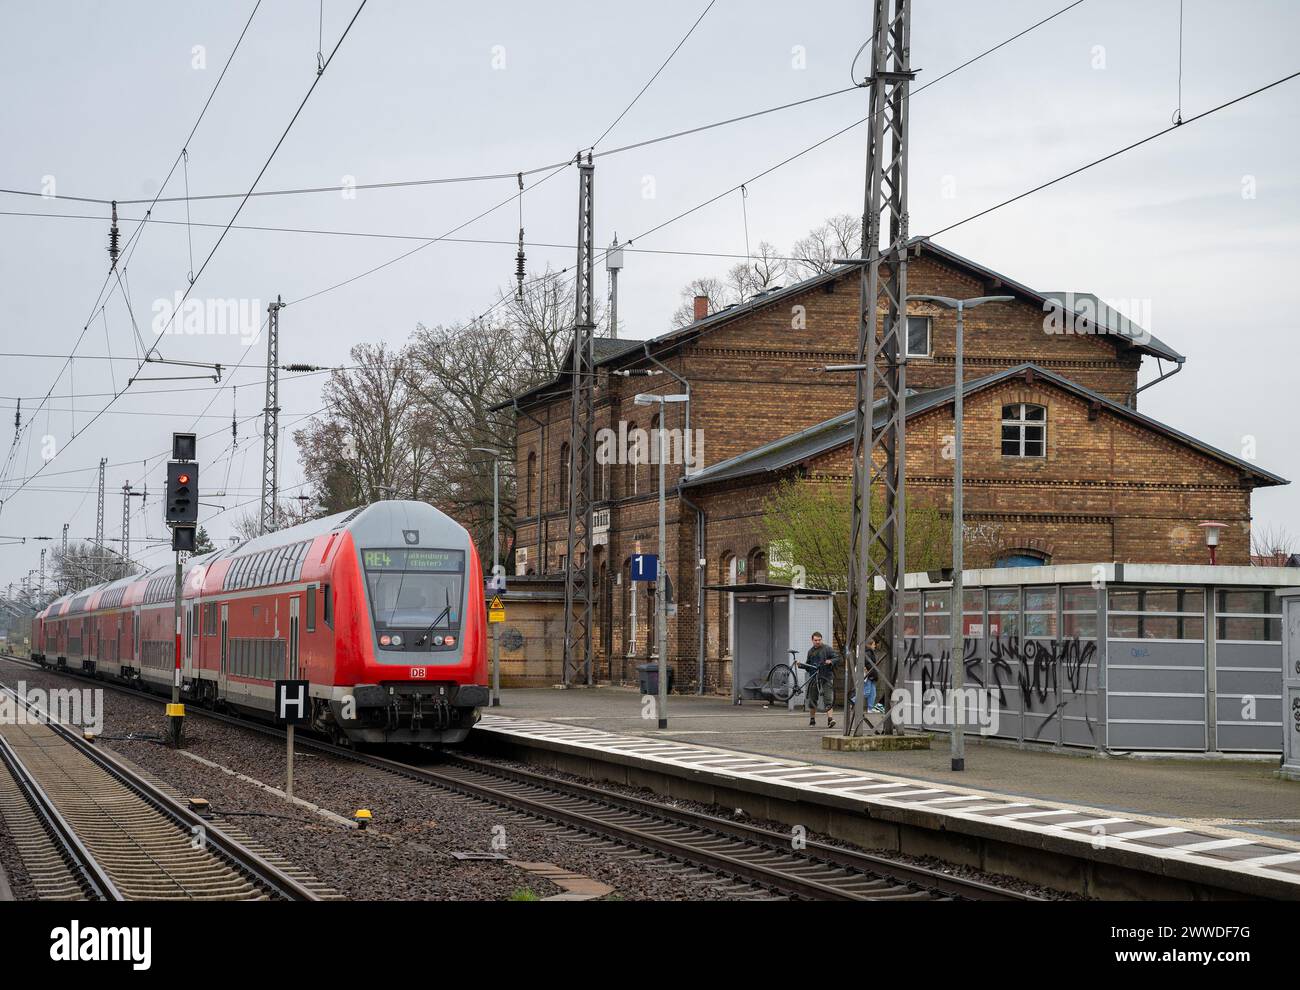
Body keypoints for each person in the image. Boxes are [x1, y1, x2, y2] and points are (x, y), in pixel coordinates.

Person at [803, 631, 838, 729]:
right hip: (814, 678)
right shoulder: (810, 652)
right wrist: (801, 665)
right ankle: (812, 720)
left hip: (826, 677)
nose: (817, 642)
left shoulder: (827, 649)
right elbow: (808, 666)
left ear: (821, 640)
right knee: (812, 699)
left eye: (819, 640)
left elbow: (837, 658)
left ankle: (830, 719)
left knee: (828, 699)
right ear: (812, 640)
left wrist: (830, 661)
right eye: (815, 640)